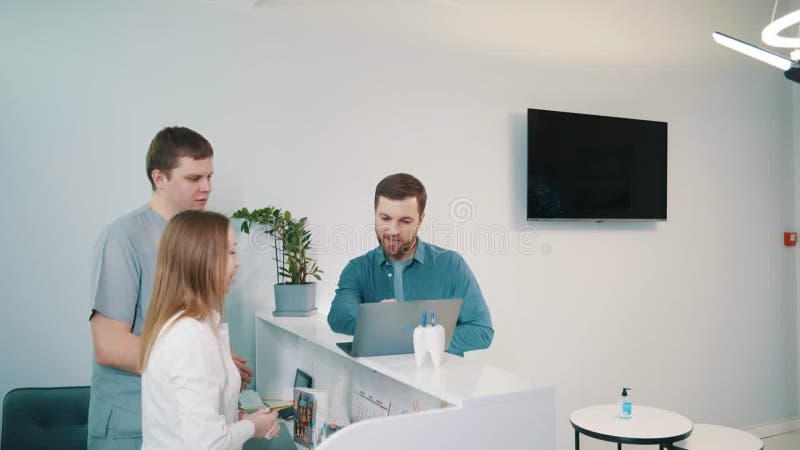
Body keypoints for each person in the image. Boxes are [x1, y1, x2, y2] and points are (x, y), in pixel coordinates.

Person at [88, 127, 252, 449]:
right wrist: (208, 361)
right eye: (194, 178)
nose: (206, 188)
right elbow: (109, 345)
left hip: (189, 427)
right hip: (131, 423)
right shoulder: (122, 238)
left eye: (209, 177)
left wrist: (217, 359)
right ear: (159, 177)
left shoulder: (199, 241)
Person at [139, 210, 279, 449]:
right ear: (201, 258)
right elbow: (208, 444)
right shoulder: (188, 336)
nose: (238, 262)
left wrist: (241, 420)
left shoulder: (191, 327)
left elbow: (195, 421)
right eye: (232, 252)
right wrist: (253, 426)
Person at [327, 173, 494, 355]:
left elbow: (482, 331)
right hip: (378, 380)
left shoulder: (451, 265)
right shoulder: (358, 268)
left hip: (437, 381)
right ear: (375, 214)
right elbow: (338, 317)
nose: (393, 230)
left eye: (405, 221)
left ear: (421, 219)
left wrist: (420, 338)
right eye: (385, 218)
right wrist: (375, 318)